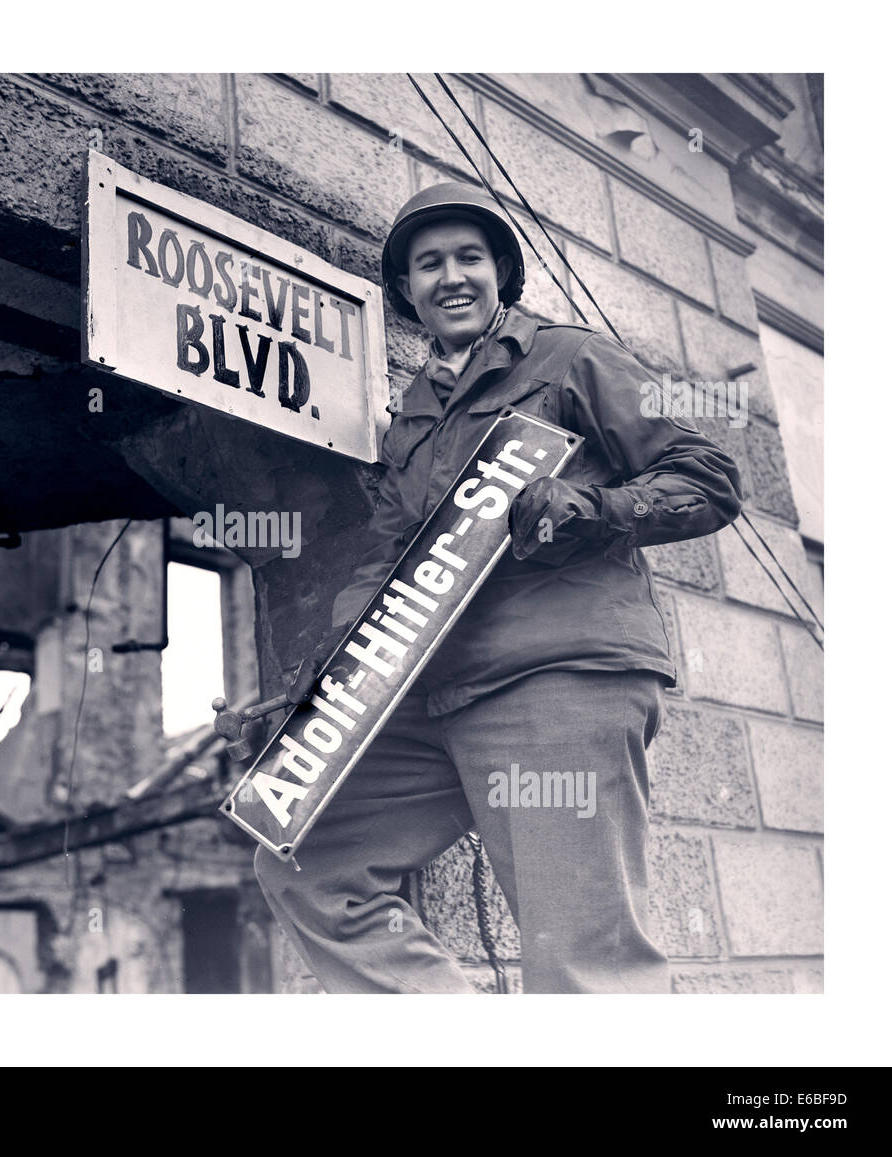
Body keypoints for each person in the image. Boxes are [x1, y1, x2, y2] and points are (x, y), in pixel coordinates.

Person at [253, 182, 742, 993]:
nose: (451, 276)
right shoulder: (411, 420)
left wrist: (593, 508)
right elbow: (386, 559)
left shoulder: (569, 356)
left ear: (501, 273)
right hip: (435, 696)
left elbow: (709, 475)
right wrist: (320, 683)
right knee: (305, 857)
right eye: (429, 264)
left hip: (557, 678)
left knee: (581, 960)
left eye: (469, 258)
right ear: (407, 291)